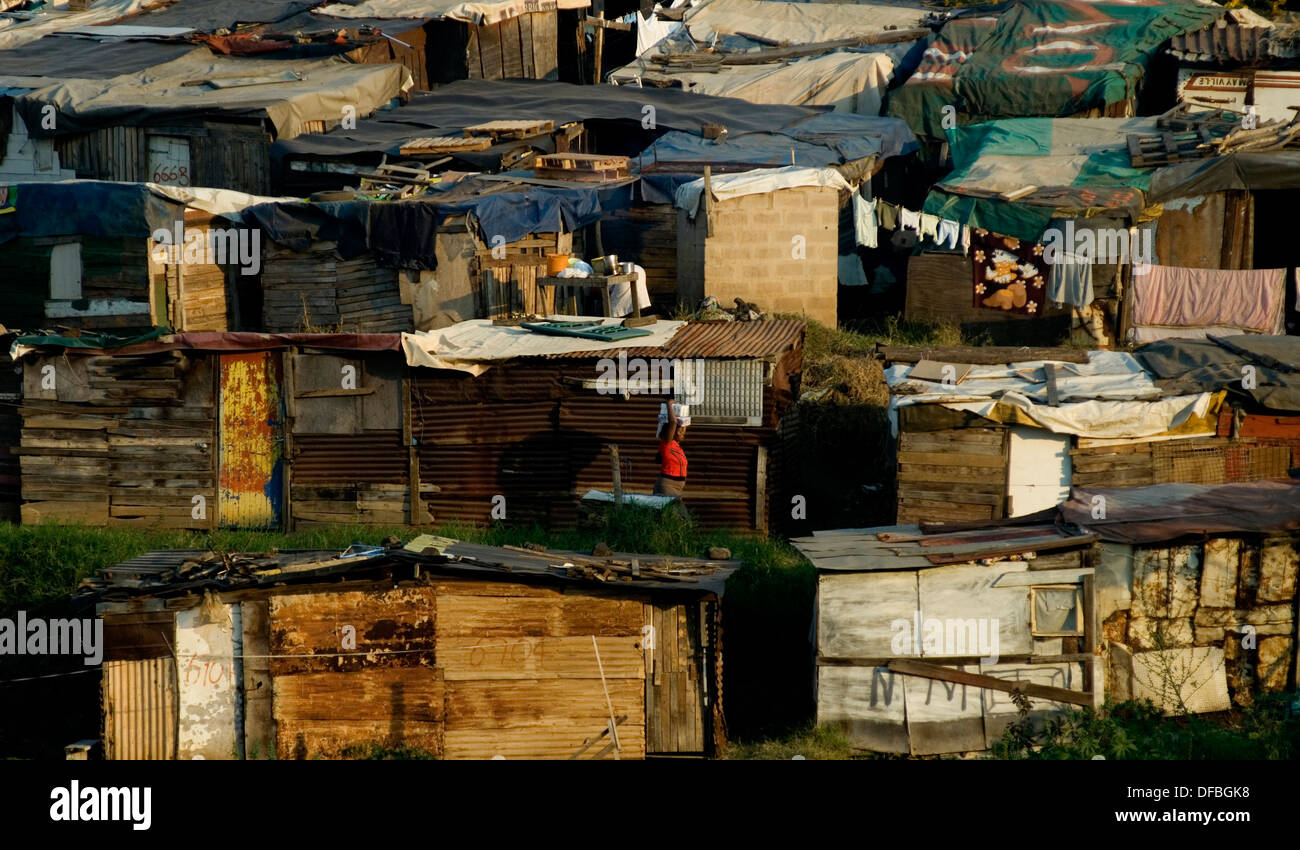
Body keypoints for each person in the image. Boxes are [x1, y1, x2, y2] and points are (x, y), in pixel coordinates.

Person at [653, 402, 689, 497]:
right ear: (672, 431)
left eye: (684, 431)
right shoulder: (667, 443)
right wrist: (669, 404)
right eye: (680, 430)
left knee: (677, 512)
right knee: (680, 512)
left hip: (677, 487)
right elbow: (673, 422)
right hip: (667, 486)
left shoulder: (677, 447)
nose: (683, 433)